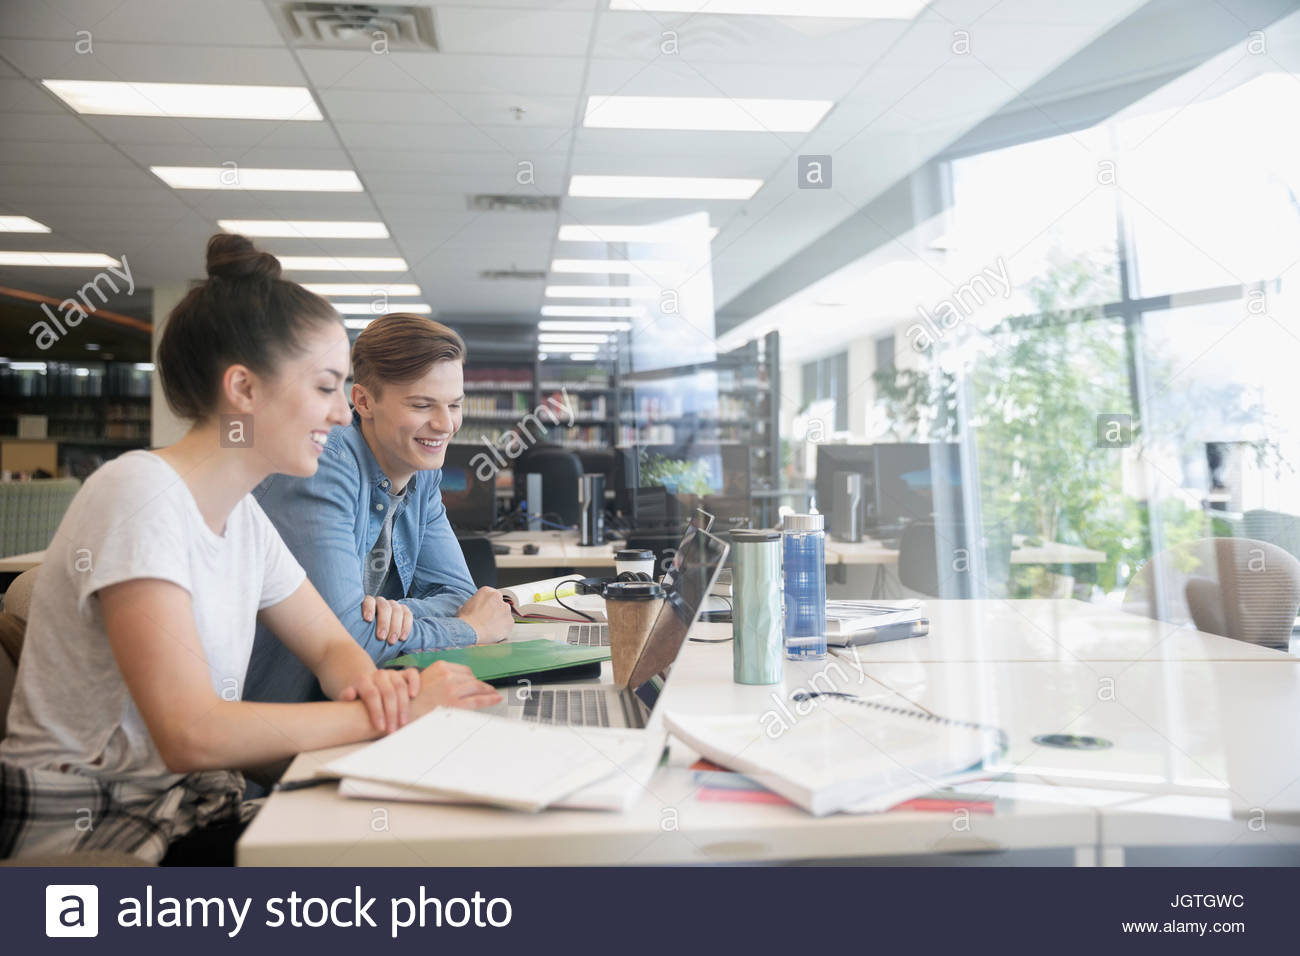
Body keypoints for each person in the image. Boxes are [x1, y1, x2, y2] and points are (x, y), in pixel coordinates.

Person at [0, 236, 500, 864]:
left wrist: (391, 698)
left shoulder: (242, 520)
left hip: (195, 802)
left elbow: (333, 647)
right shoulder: (138, 494)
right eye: (325, 389)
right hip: (103, 835)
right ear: (244, 389)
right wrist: (394, 716)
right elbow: (189, 733)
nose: (343, 417)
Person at [243, 314, 514, 708]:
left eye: (454, 405)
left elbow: (459, 593)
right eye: (422, 405)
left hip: (362, 701)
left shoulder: (422, 475)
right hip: (284, 718)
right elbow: (348, 638)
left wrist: (398, 612)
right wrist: (468, 630)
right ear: (364, 401)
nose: (445, 424)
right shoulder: (323, 464)